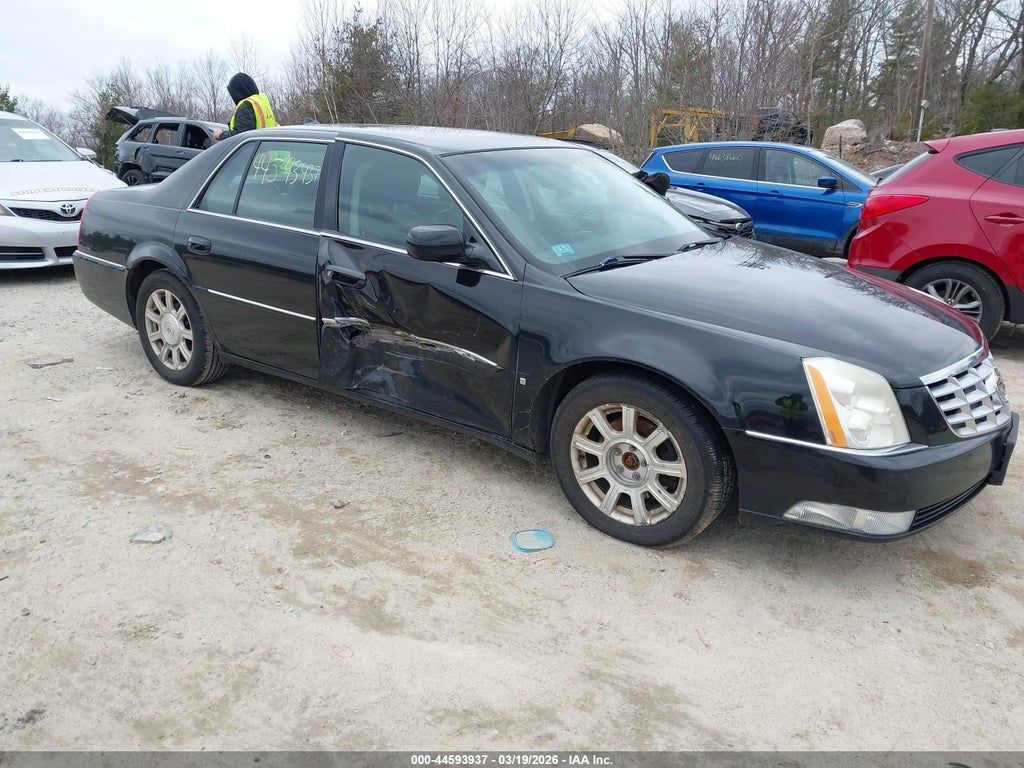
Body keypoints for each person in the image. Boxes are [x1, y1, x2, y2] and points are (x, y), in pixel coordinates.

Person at [212, 73, 278, 141]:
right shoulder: (261, 102)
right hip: (268, 147)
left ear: (238, 91)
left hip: (258, 150)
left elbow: (241, 137)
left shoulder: (246, 106)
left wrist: (221, 135)